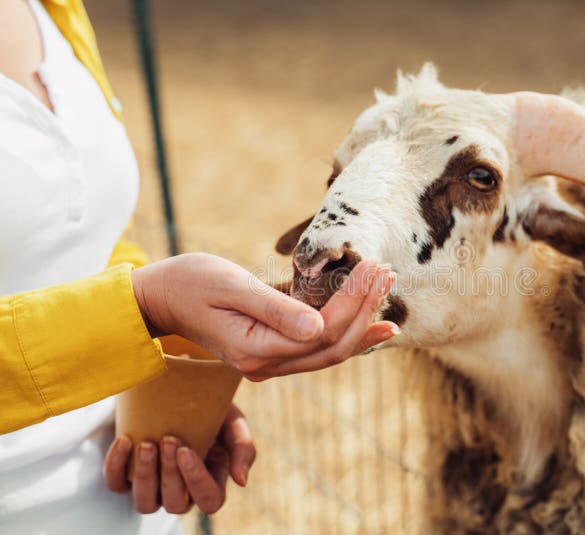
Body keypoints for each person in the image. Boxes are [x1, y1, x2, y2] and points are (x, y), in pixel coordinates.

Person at [0, 1, 399, 534]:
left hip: (135, 511)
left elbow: (87, 242)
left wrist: (171, 385)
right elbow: (128, 298)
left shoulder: (53, 8)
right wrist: (147, 307)